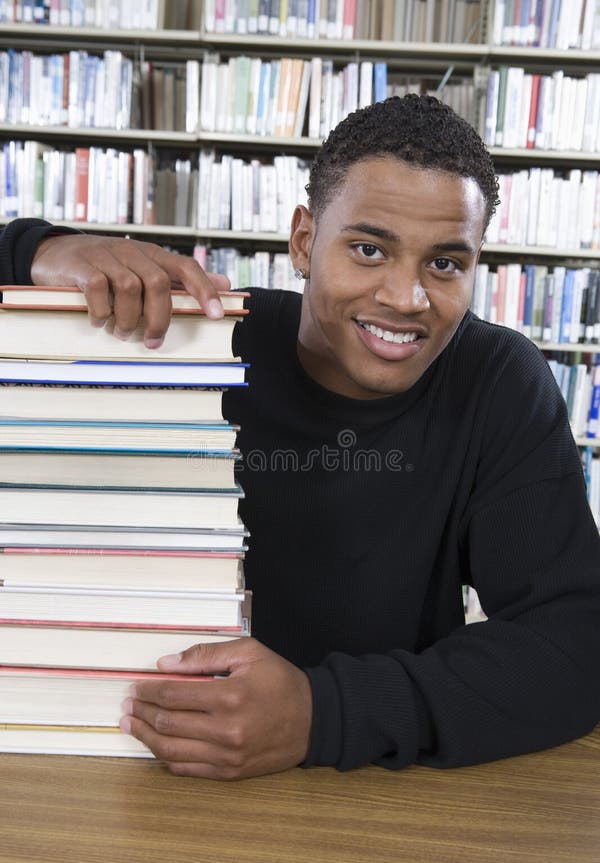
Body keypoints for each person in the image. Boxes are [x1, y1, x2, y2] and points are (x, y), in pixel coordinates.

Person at [2, 95, 599, 780]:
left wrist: (323, 713)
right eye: (368, 249)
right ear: (304, 242)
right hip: (113, 769)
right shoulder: (192, 345)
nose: (406, 297)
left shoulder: (497, 382)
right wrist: (38, 252)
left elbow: (576, 644)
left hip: (362, 798)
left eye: (444, 264)